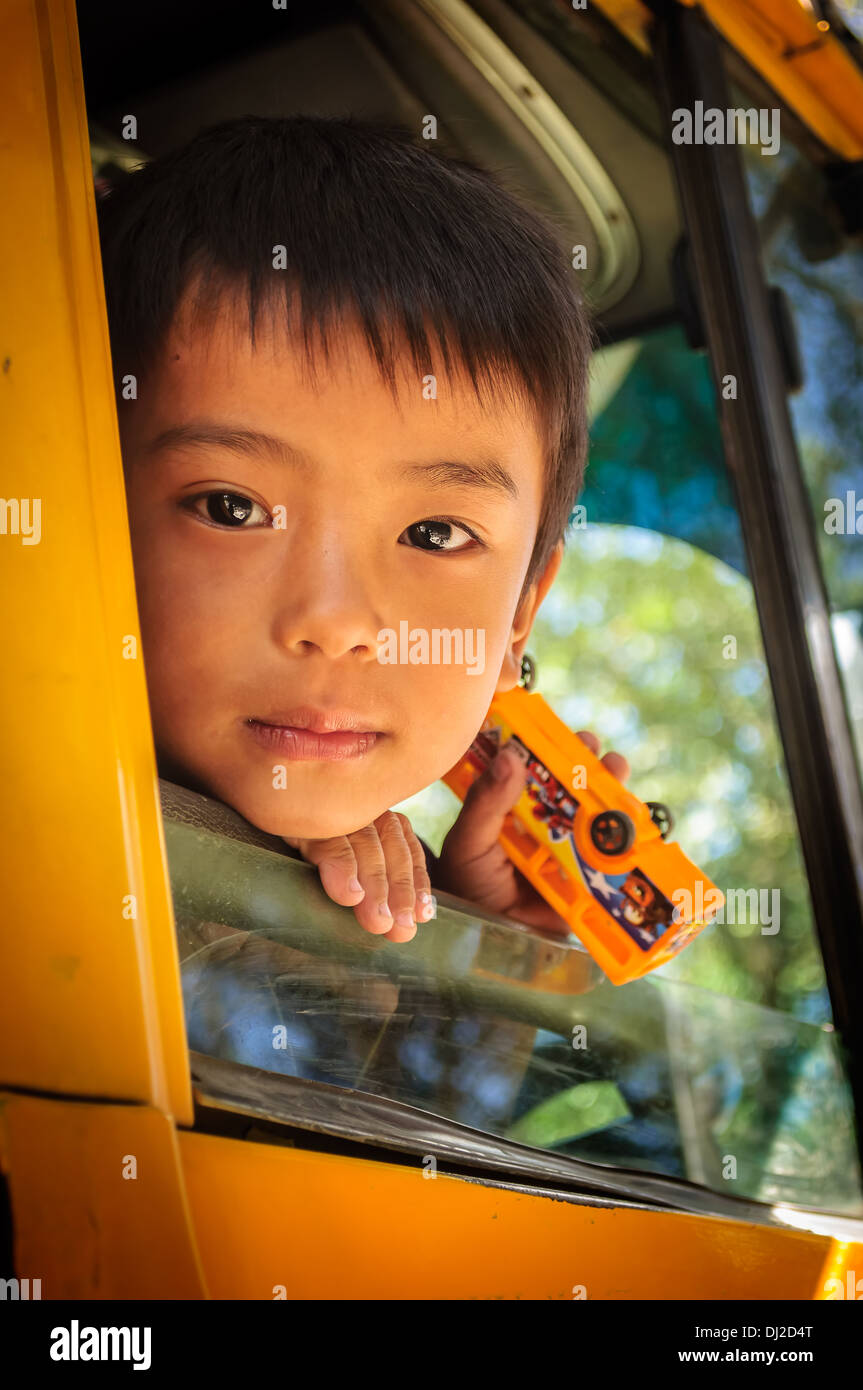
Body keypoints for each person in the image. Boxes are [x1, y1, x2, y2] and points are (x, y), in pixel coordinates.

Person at [98, 114, 628, 945]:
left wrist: (472, 941)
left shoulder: (399, 889)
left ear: (520, 612)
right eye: (231, 509)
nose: (337, 623)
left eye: (434, 534)